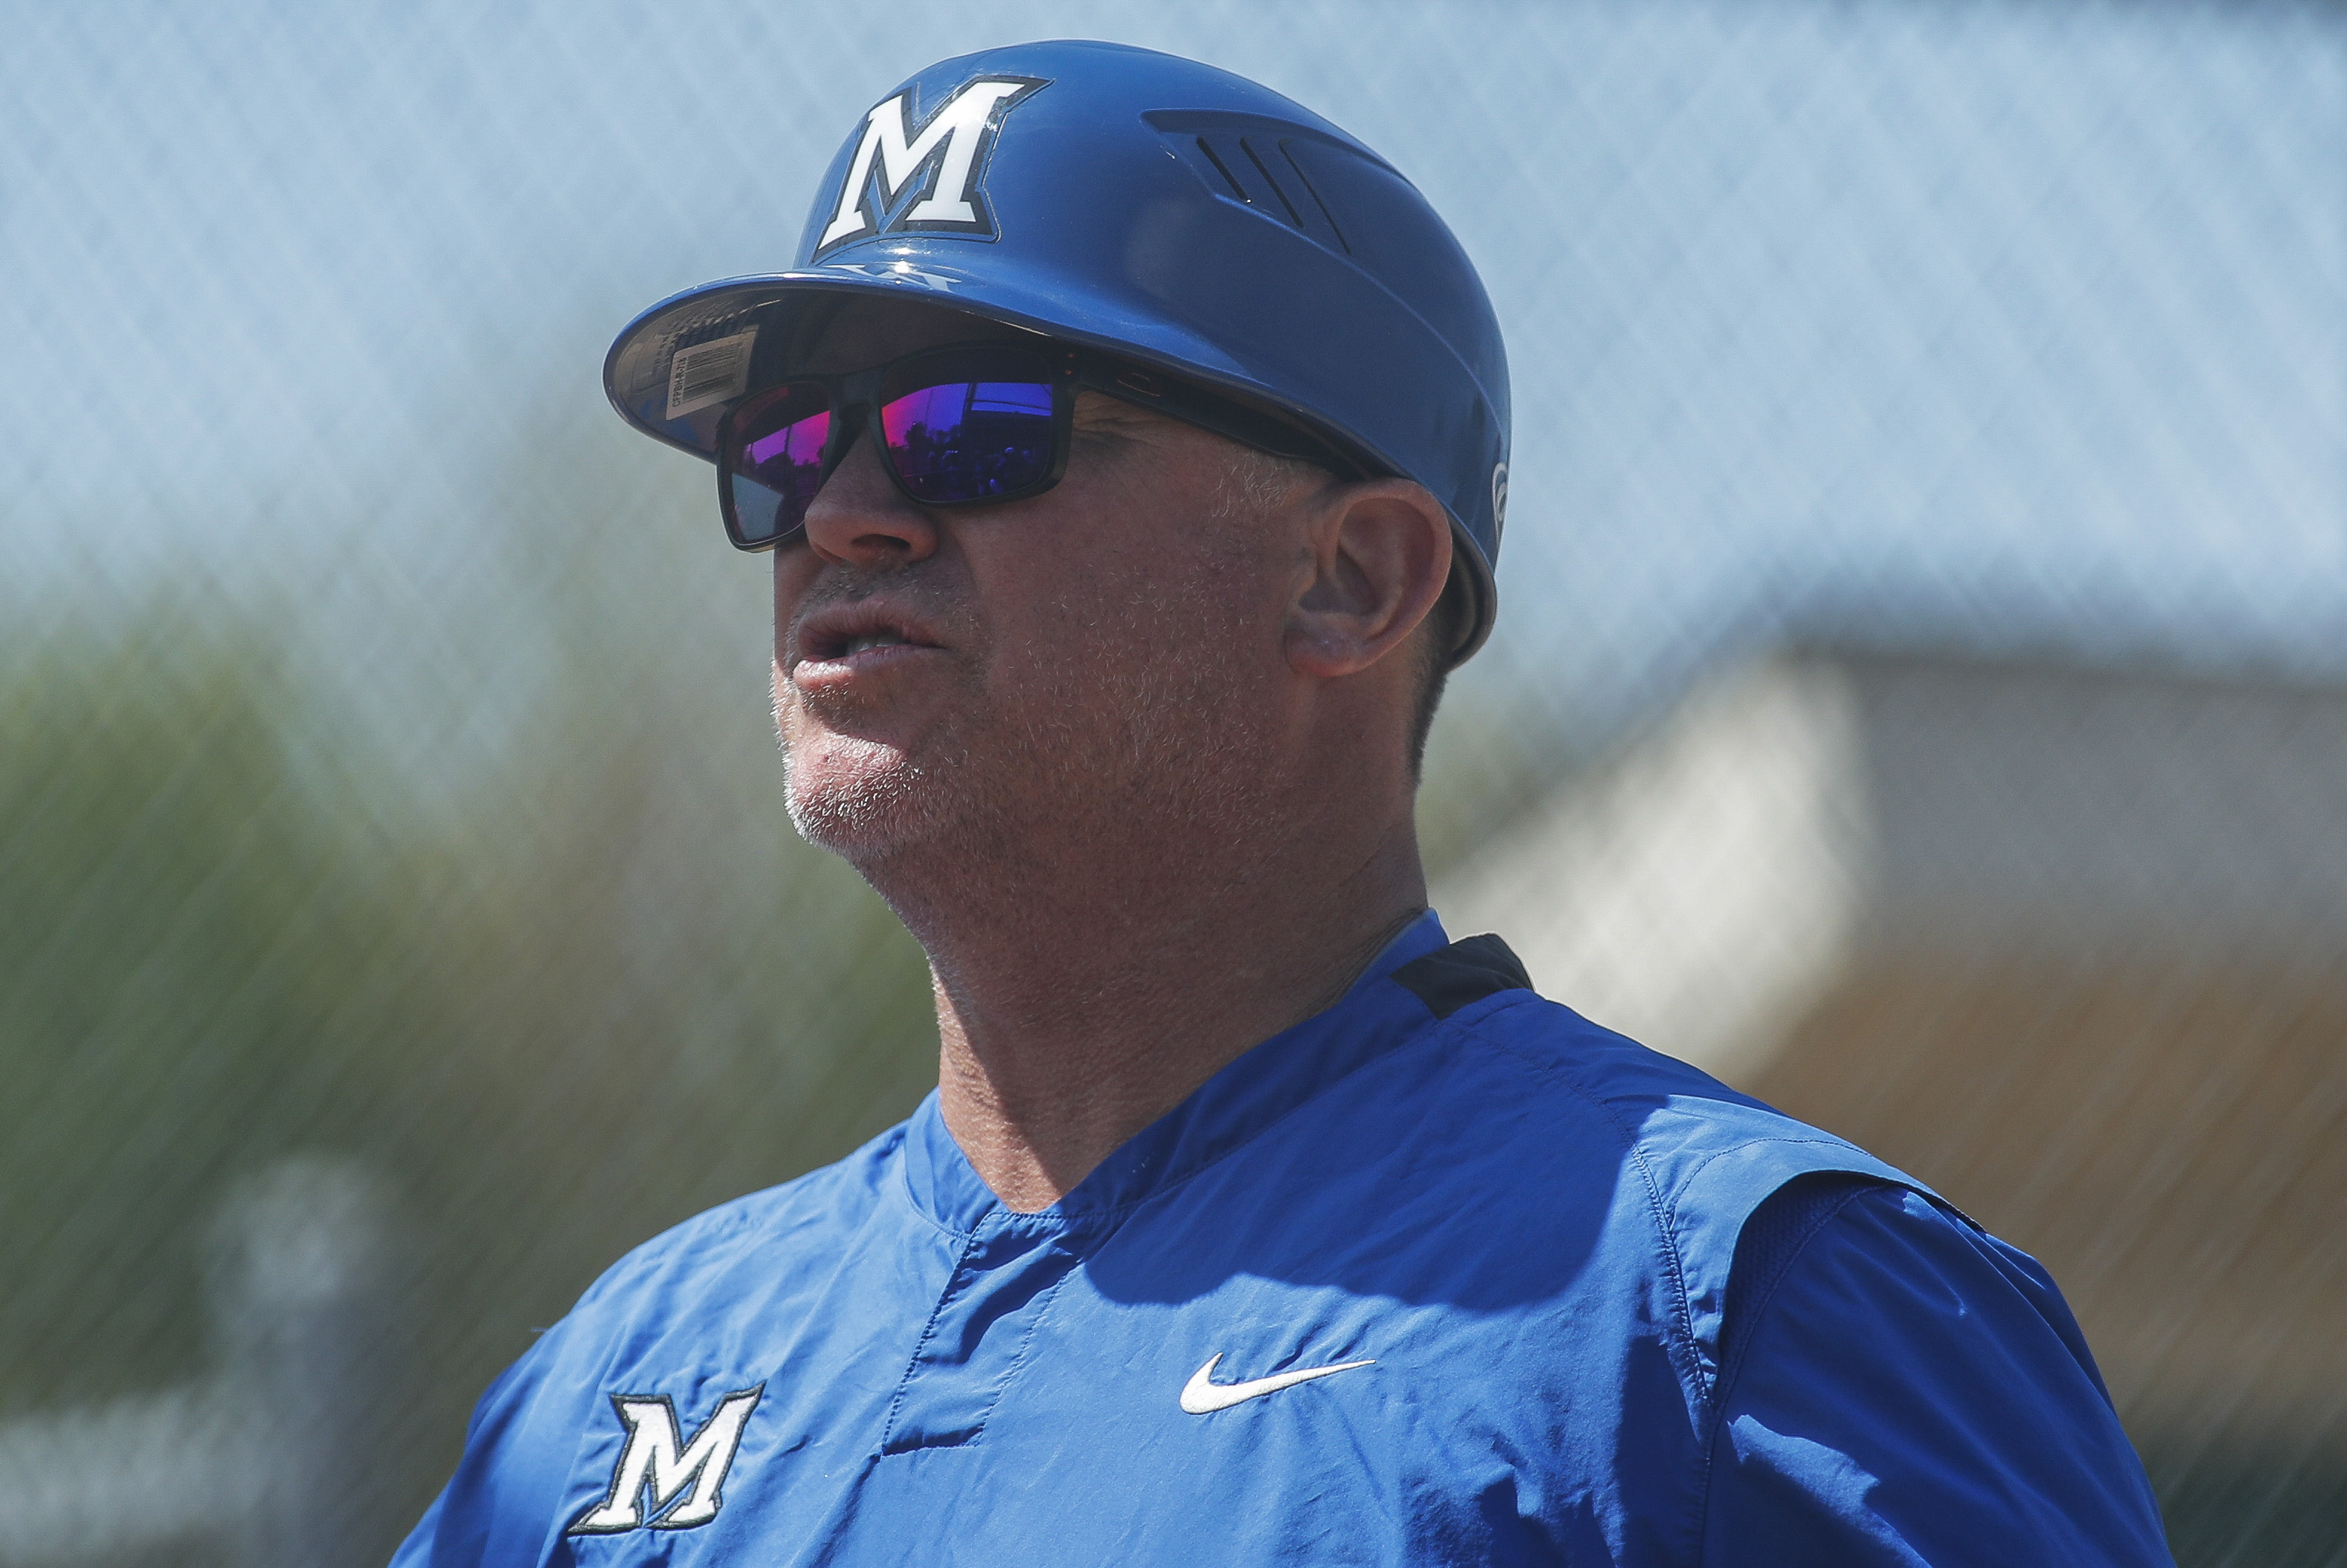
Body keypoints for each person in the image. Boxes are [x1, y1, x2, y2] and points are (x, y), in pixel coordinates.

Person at [394, 40, 2172, 1567]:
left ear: (1352, 579)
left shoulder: (1734, 1316)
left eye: (969, 424)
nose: (843, 511)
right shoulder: (620, 1382)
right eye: (787, 446)